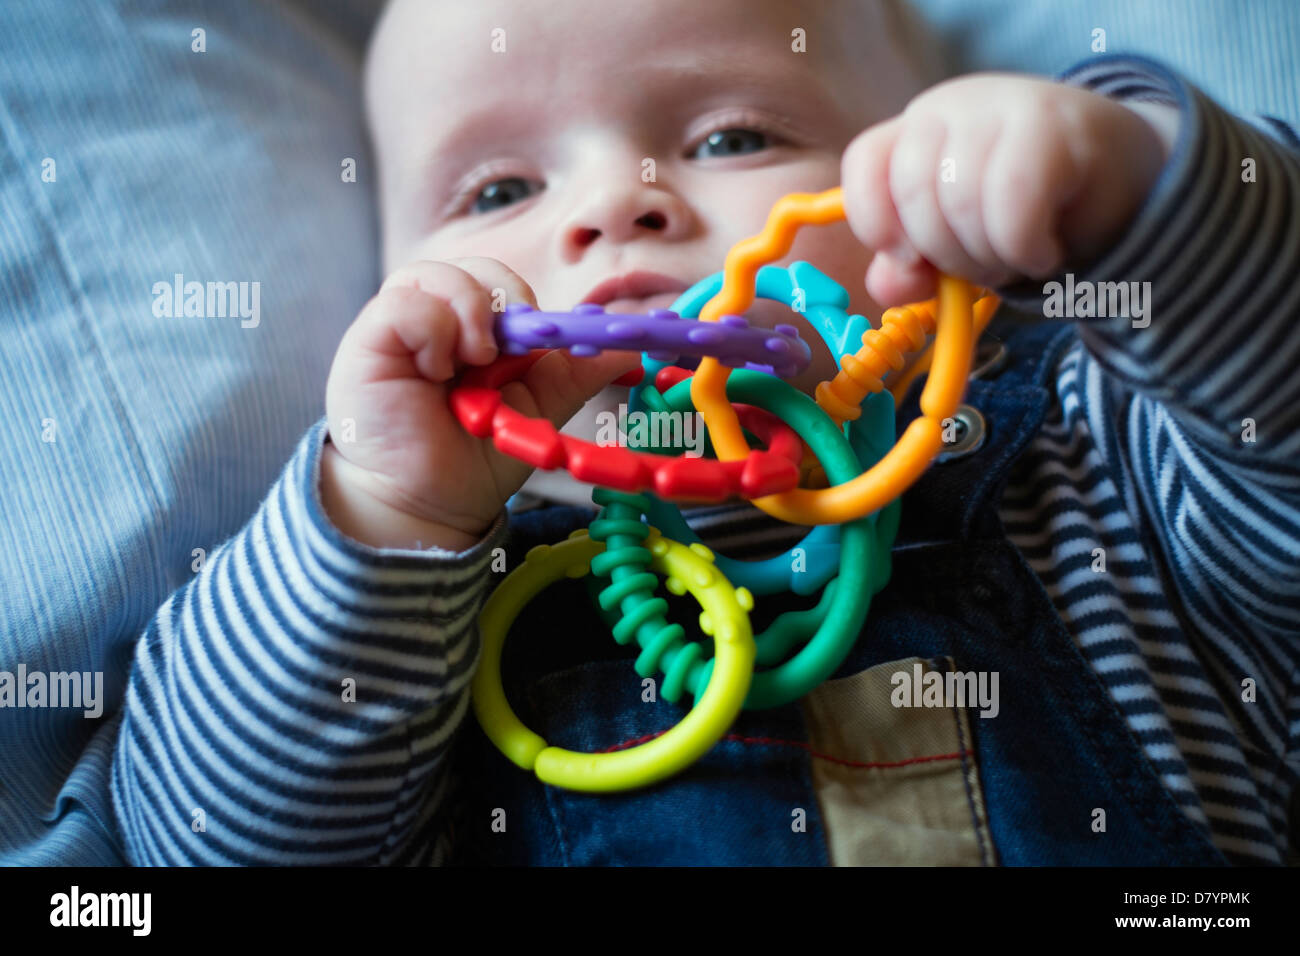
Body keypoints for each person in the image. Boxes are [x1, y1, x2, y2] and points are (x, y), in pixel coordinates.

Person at [108, 0, 1300, 864]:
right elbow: (195, 843)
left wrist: (1135, 190)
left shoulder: (1097, 459)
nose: (613, 204)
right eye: (496, 192)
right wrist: (386, 511)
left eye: (732, 138)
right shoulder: (423, 622)